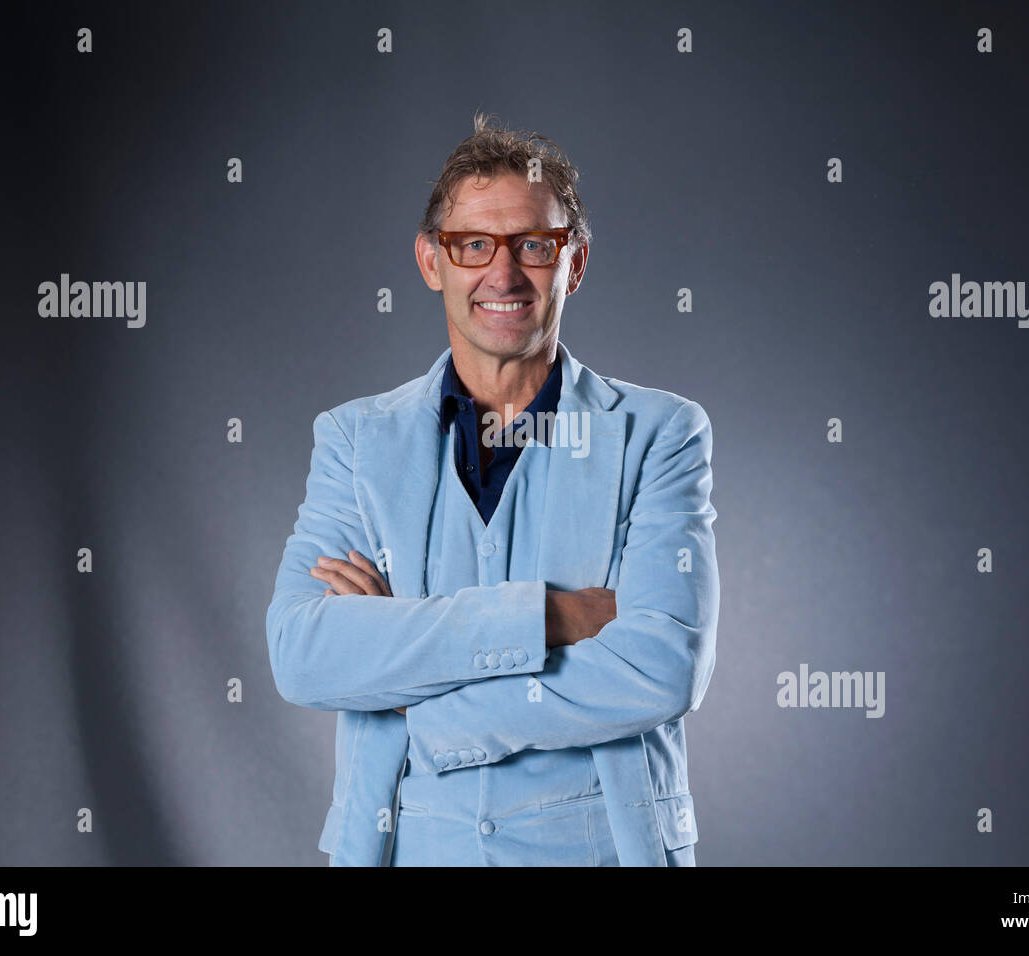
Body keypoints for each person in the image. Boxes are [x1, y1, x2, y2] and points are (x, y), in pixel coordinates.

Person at [265, 112, 719, 866]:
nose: (502, 275)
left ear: (573, 263)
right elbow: (303, 653)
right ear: (430, 261)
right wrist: (545, 616)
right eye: (473, 244)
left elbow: (660, 669)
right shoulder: (354, 440)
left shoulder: (660, 433)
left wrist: (418, 690)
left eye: (533, 246)